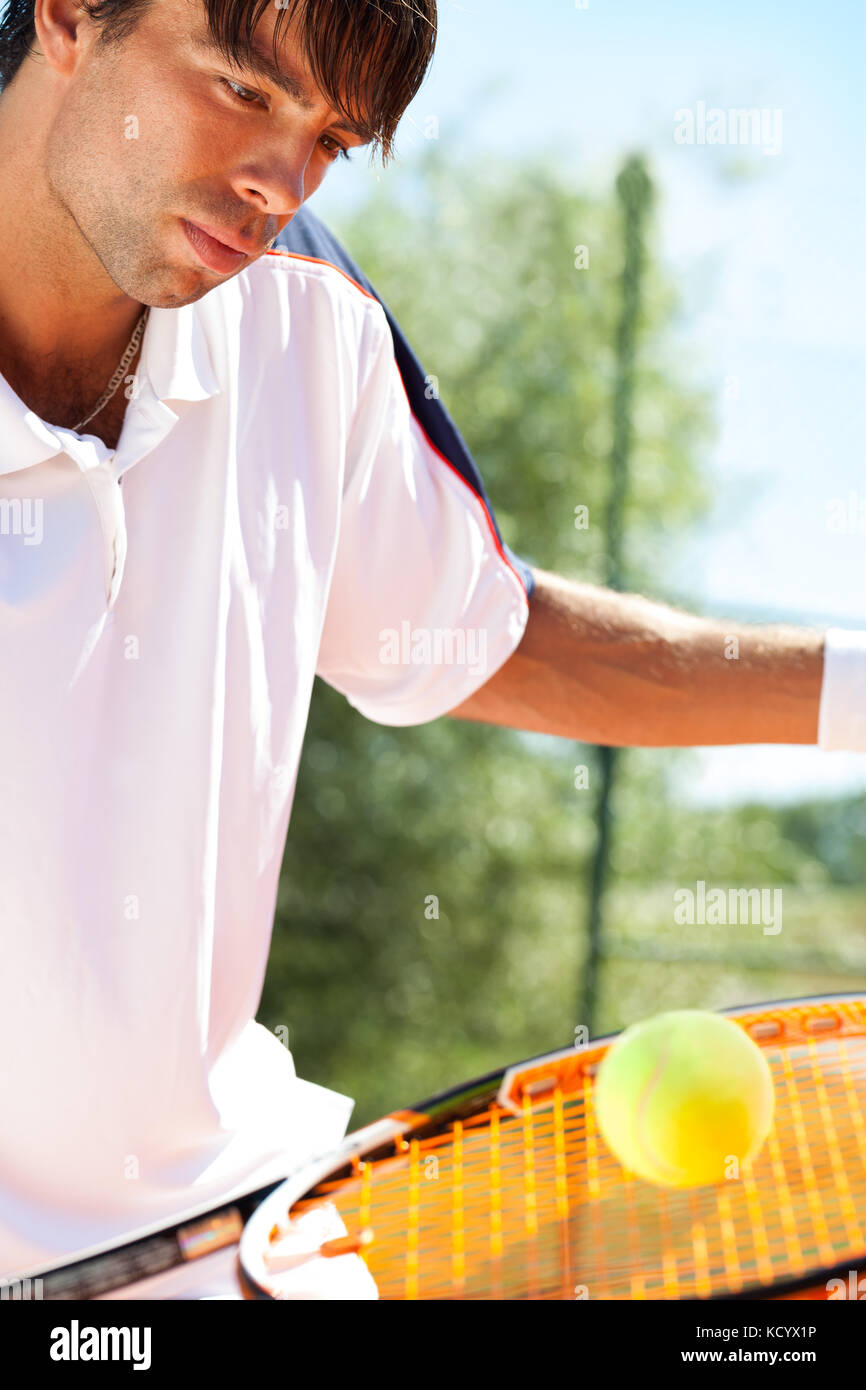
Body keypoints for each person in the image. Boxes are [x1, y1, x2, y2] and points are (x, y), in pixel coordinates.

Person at [0, 0, 860, 1300]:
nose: (281, 185)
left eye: (330, 140)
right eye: (243, 89)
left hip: (238, 1227)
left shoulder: (309, 319)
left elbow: (492, 635)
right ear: (70, 15)